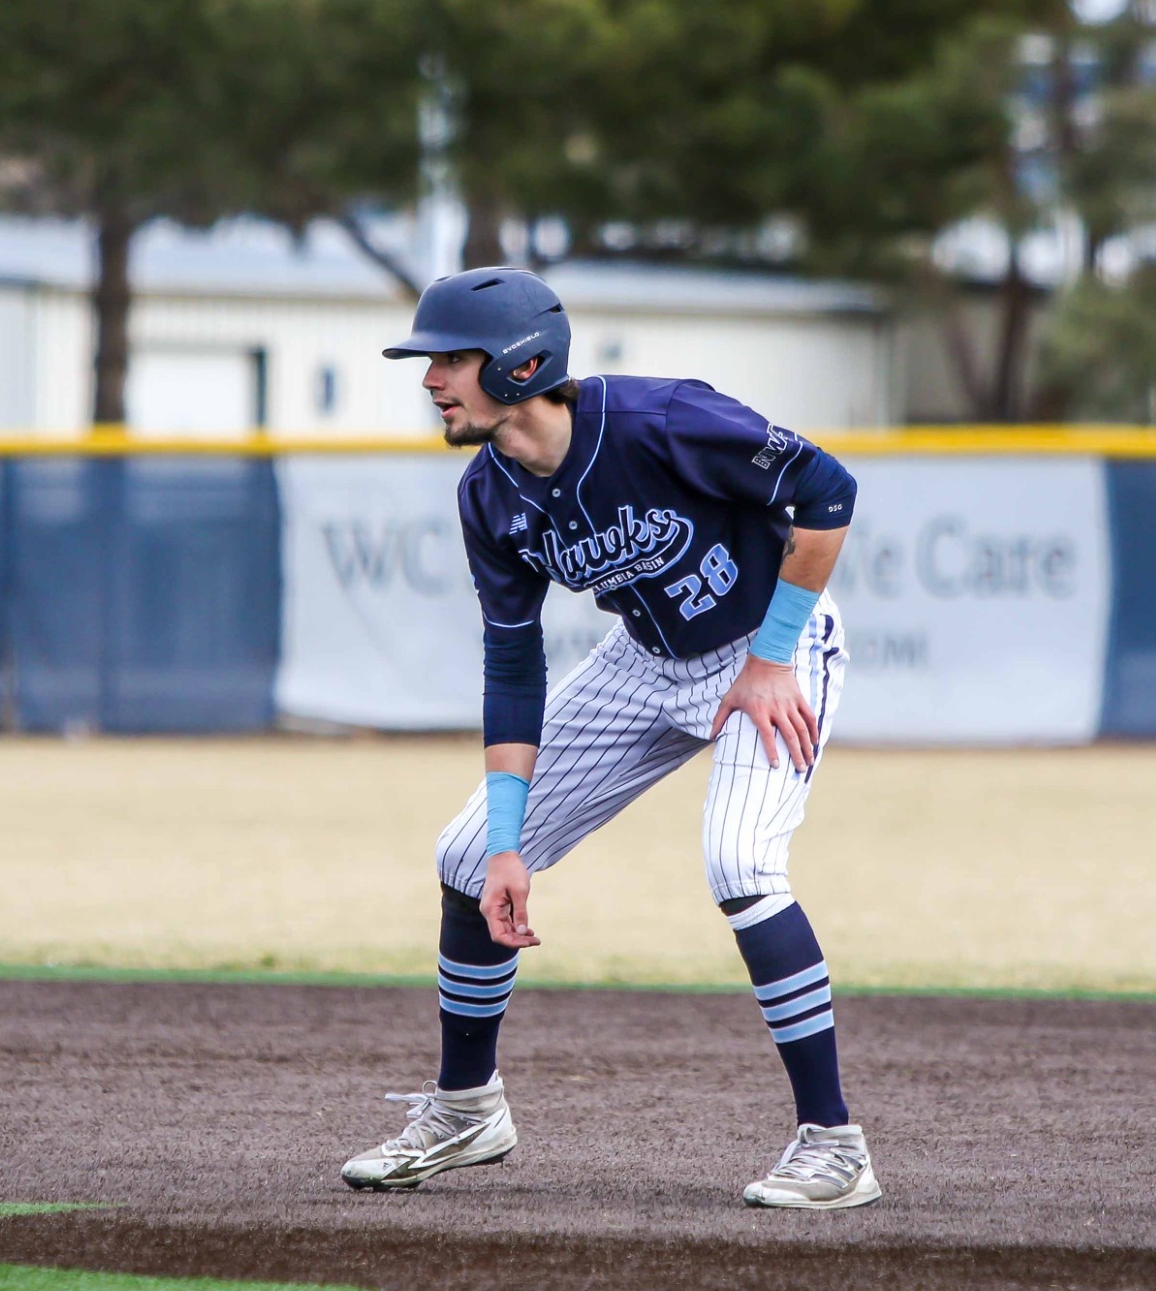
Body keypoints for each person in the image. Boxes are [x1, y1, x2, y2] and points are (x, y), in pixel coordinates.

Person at [340, 267, 878, 1209]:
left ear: (520, 362)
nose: (431, 381)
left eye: (450, 361)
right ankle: (468, 1109)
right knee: (468, 856)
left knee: (740, 861)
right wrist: (510, 840)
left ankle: (834, 1145)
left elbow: (827, 491)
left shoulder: (663, 419)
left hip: (771, 646)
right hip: (643, 664)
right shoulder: (488, 496)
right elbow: (513, 667)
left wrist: (772, 657)